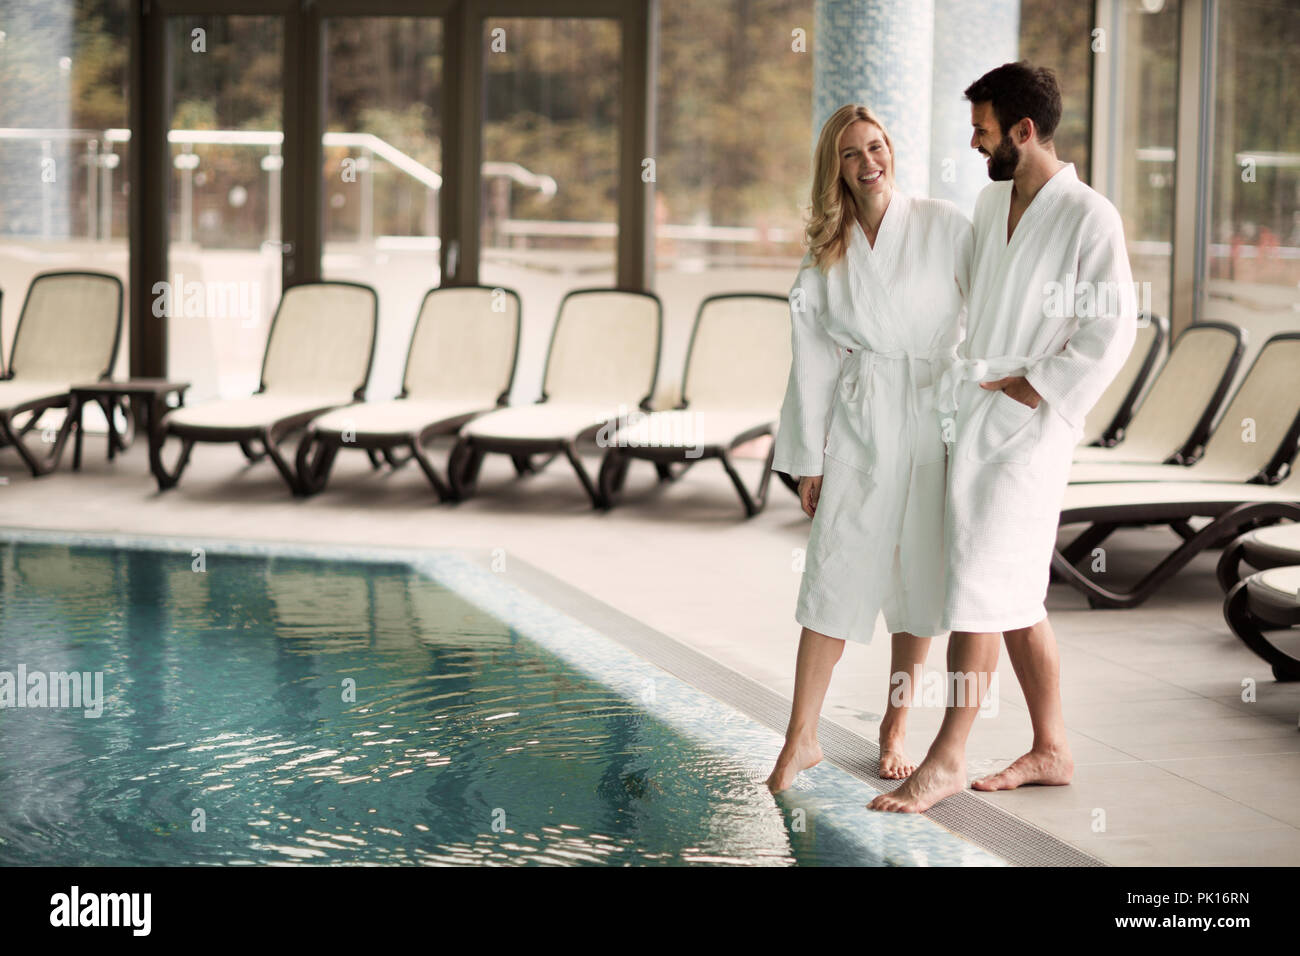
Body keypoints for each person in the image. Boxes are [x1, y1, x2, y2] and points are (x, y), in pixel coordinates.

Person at [869, 62, 1137, 813]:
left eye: (984, 129)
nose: (975, 141)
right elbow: (952, 290)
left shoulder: (1090, 217)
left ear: (1024, 131)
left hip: (1031, 425)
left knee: (978, 586)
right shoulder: (991, 205)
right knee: (1014, 593)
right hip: (977, 410)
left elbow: (1112, 328)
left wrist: (1037, 385)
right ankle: (1052, 748)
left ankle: (947, 756)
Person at [766, 104, 972, 790]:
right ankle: (802, 737)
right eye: (851, 153)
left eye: (876, 146)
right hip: (864, 417)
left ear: (893, 150)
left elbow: (993, 308)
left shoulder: (944, 223)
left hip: (934, 414)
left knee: (920, 578)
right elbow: (811, 358)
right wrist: (808, 458)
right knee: (833, 571)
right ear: (837, 168)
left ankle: (896, 724)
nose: (868, 161)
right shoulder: (828, 248)